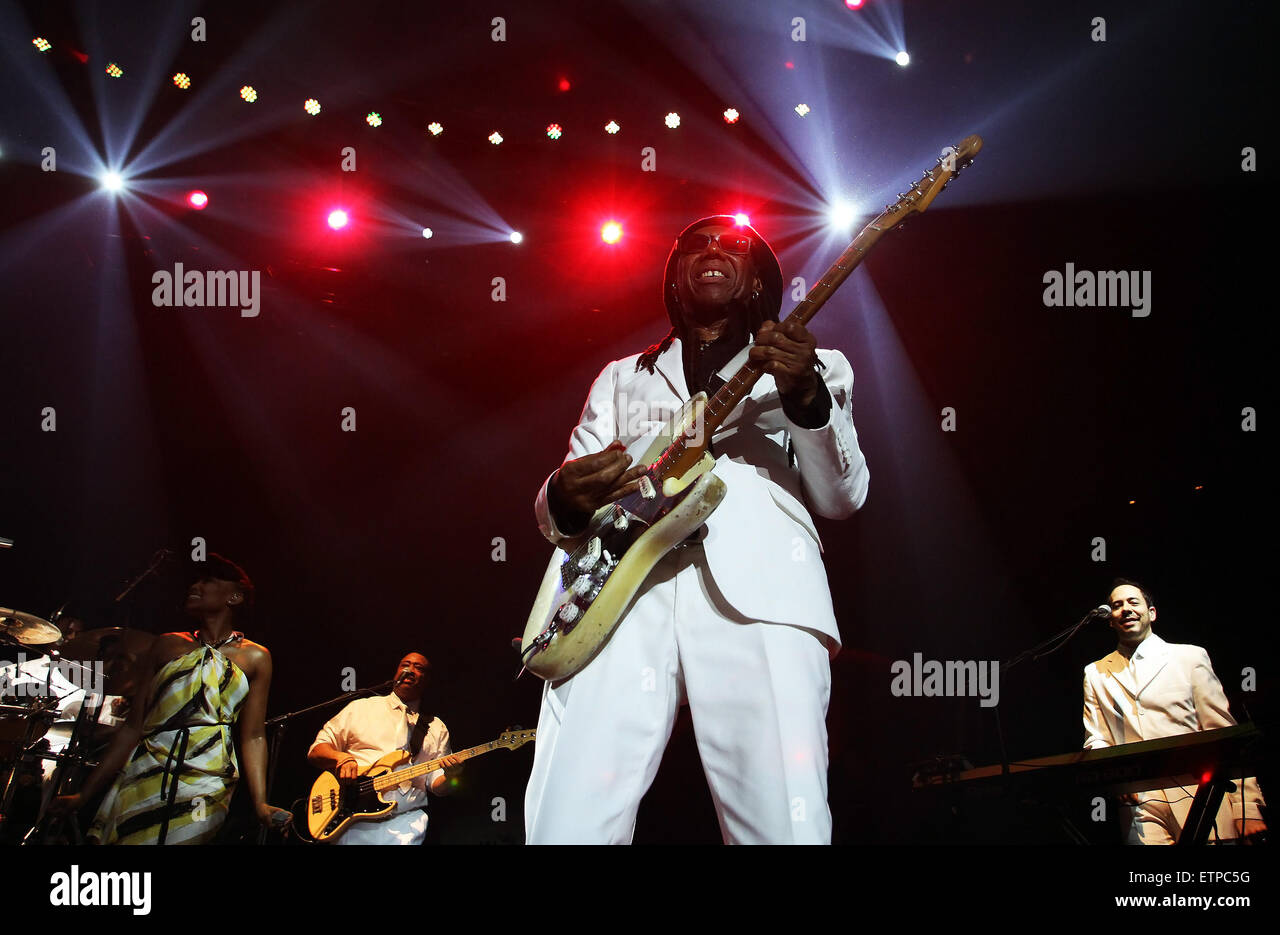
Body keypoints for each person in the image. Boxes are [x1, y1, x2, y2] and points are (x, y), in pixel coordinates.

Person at [525, 215, 869, 844]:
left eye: (734, 246)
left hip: (762, 591)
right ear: (674, 276)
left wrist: (804, 395)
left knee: (780, 820)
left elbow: (843, 496)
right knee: (567, 815)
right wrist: (562, 495)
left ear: (758, 278)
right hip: (619, 597)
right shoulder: (622, 377)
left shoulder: (815, 365)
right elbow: (563, 504)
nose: (713, 252)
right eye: (696, 245)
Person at [50, 554, 283, 843]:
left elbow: (253, 736)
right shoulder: (167, 644)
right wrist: (84, 795)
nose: (195, 586)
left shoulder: (256, 657)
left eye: (208, 580)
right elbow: (133, 727)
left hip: (208, 777)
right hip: (146, 769)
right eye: (196, 580)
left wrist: (260, 803)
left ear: (234, 597)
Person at [1082, 579, 1267, 844]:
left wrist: (1247, 808)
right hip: (1140, 805)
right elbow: (1097, 738)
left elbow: (1223, 733)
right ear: (1110, 620)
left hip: (1201, 795)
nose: (1125, 609)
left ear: (1152, 613)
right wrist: (1115, 775)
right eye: (1117, 605)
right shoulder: (1095, 672)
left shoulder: (1189, 658)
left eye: (1133, 602)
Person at [308, 652, 461, 844]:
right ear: (396, 672)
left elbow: (437, 786)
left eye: (418, 668)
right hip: (351, 822)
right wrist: (341, 758)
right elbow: (317, 750)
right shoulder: (361, 708)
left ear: (427, 679)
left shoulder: (436, 727)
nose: (410, 670)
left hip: (406, 825)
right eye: (405, 664)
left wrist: (452, 776)